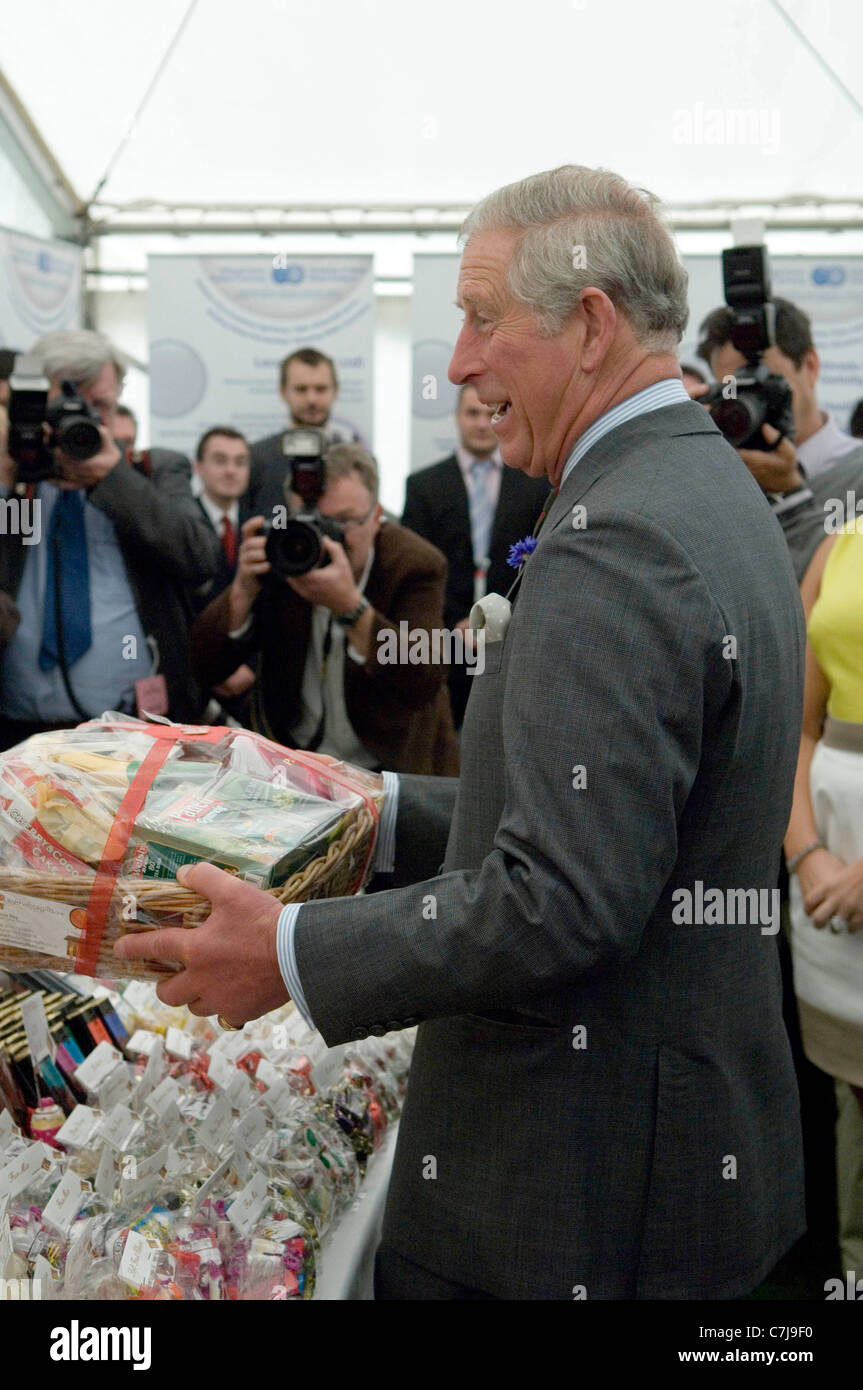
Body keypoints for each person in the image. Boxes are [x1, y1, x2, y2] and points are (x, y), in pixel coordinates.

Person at [117, 164, 805, 1301]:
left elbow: (561, 897)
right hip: (678, 1150)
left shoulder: (619, 532)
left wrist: (288, 953)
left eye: (482, 319)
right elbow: (615, 818)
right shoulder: (698, 480)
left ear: (587, 324)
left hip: (575, 1194)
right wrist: (372, 806)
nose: (457, 364)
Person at [0, 329, 219, 747]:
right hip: (16, 732)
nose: (82, 416)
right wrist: (5, 480)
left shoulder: (150, 471)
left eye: (99, 404)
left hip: (132, 731)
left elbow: (199, 558)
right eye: (64, 401)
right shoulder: (18, 489)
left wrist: (111, 479)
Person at [192, 442, 459, 776]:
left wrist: (352, 608)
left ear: (377, 516)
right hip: (296, 763)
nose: (328, 539)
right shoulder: (286, 553)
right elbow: (205, 667)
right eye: (316, 523)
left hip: (389, 764)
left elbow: (423, 677)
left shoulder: (414, 564)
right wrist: (242, 591)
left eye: (345, 522)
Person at [784, 519, 863, 1277]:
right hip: (824, 853)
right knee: (852, 1096)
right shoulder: (840, 544)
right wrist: (806, 855)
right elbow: (797, 728)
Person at [402, 383, 547, 727]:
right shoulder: (423, 486)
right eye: (472, 413)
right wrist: (457, 622)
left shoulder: (534, 485)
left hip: (514, 645)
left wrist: (503, 619)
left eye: (491, 413)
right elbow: (416, 567)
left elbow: (540, 564)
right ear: (456, 417)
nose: (482, 423)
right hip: (445, 645)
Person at [697, 298, 863, 581]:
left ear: (810, 365)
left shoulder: (856, 475)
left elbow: (840, 596)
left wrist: (790, 495)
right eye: (732, 392)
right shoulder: (715, 478)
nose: (748, 404)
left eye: (764, 386)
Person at [191, 426, 256, 719]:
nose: (231, 470)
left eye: (240, 462)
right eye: (220, 460)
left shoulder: (261, 526)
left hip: (252, 689)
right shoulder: (180, 526)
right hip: (193, 684)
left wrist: (252, 666)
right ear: (199, 467)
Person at [246, 347, 360, 516]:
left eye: (320, 389)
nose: (311, 399)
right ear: (283, 392)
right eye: (301, 389)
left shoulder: (356, 461)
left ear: (335, 391)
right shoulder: (255, 458)